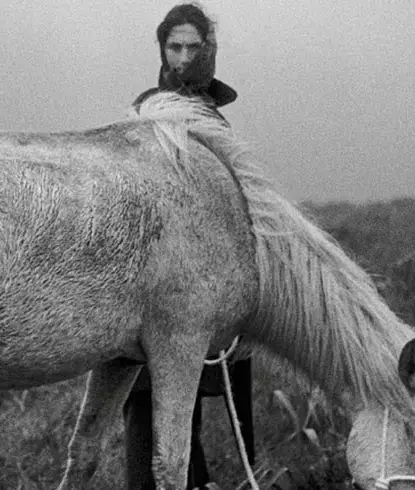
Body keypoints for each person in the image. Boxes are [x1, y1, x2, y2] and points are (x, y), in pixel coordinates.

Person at [126, 4, 254, 489]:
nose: (182, 57)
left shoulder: (216, 119)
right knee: (143, 408)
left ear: (208, 51)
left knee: (186, 414)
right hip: (148, 279)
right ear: (161, 49)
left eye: (192, 47)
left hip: (200, 285)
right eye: (173, 46)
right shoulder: (146, 111)